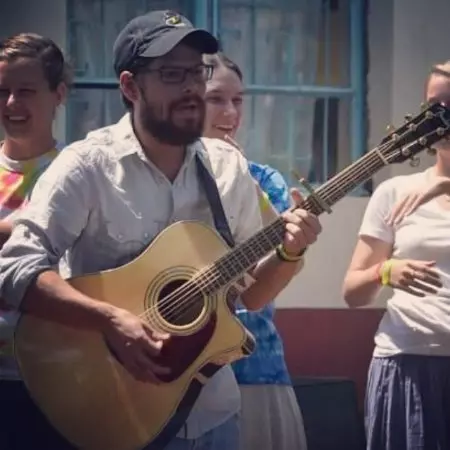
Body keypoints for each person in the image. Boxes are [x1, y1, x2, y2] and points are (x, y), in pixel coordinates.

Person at [0, 10, 322, 450]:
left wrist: (290, 253)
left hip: (213, 418)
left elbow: (251, 294)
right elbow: (16, 267)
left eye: (197, 72)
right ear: (131, 87)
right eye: (172, 74)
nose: (192, 87)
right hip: (111, 411)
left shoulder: (228, 168)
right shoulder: (87, 166)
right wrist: (110, 319)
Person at [342, 61, 450, 450]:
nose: (440, 119)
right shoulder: (395, 192)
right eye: (433, 107)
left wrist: (443, 187)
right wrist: (385, 271)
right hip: (407, 363)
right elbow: (353, 292)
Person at [203, 52, 308, 450]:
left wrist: (291, 250)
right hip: (171, 378)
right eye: (217, 99)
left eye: (238, 100)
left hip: (256, 368)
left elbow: (259, 292)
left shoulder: (264, 180)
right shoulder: (160, 182)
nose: (230, 112)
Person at [0, 33, 72, 449]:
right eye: (3, 91)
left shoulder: (78, 173)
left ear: (58, 93)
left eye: (25, 91)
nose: (11, 103)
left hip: (60, 378)